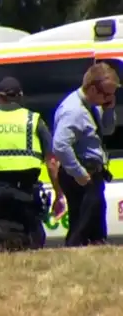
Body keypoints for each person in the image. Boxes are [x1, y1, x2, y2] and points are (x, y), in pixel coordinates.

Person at [0, 76, 65, 250]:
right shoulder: (34, 121)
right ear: (21, 96)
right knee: (31, 241)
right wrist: (59, 194)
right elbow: (52, 162)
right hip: (26, 193)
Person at [53, 62, 119, 247]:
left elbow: (107, 129)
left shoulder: (93, 106)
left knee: (95, 227)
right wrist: (79, 173)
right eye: (106, 94)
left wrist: (109, 109)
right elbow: (60, 145)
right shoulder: (73, 110)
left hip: (92, 172)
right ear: (91, 88)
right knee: (83, 226)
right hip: (82, 172)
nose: (109, 98)